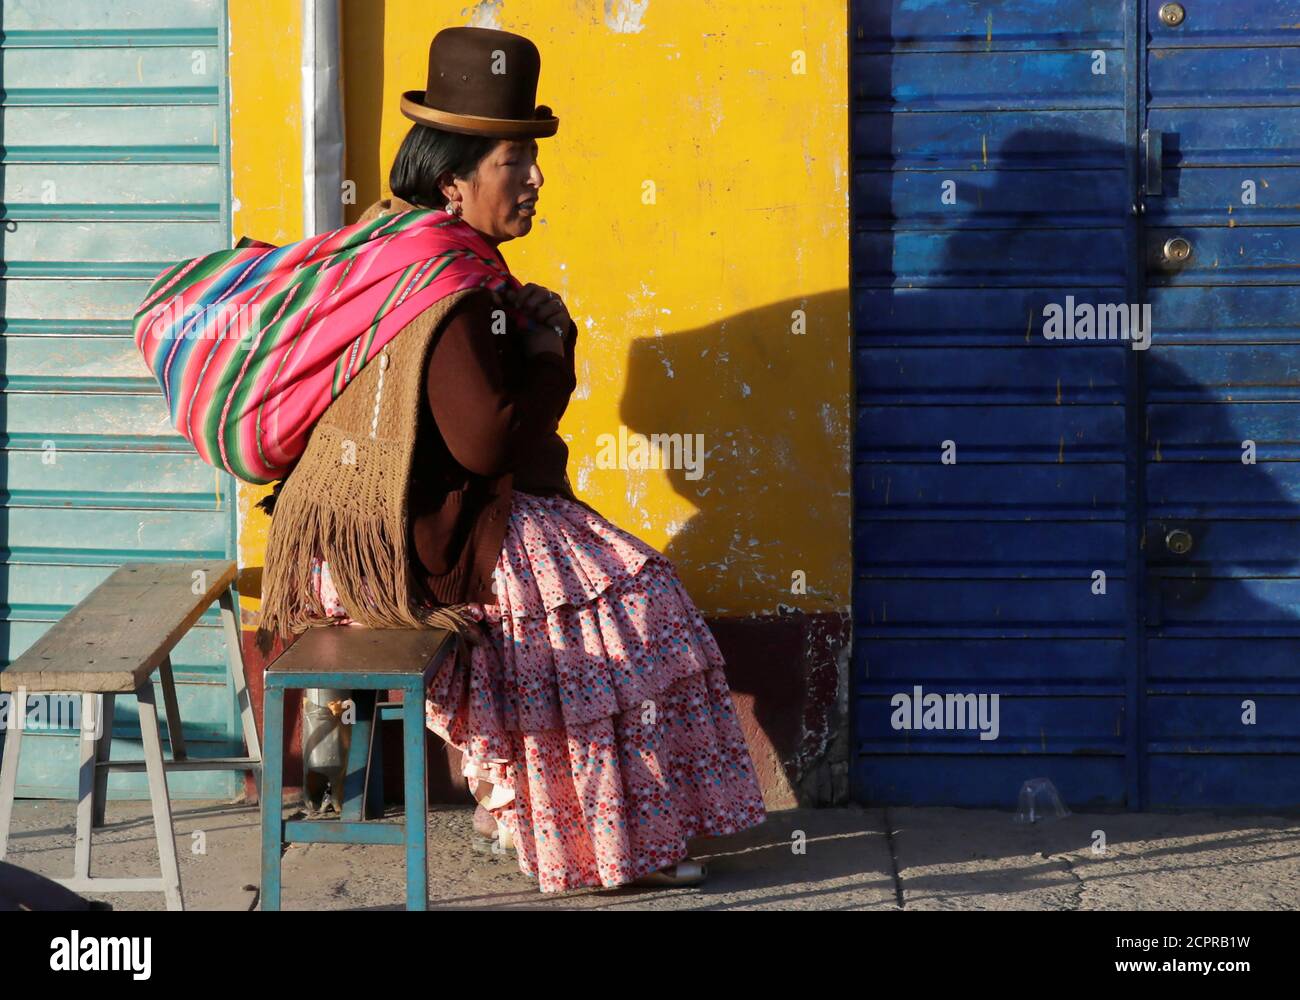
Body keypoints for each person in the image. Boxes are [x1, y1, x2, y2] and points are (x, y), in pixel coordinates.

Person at [261, 26, 767, 893]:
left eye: (533, 160)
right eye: (513, 162)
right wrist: (551, 348)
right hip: (401, 548)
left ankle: (542, 817)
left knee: (598, 580)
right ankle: (607, 842)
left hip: (382, 528)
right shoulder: (447, 284)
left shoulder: (402, 247)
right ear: (454, 180)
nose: (534, 179)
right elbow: (489, 439)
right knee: (629, 601)